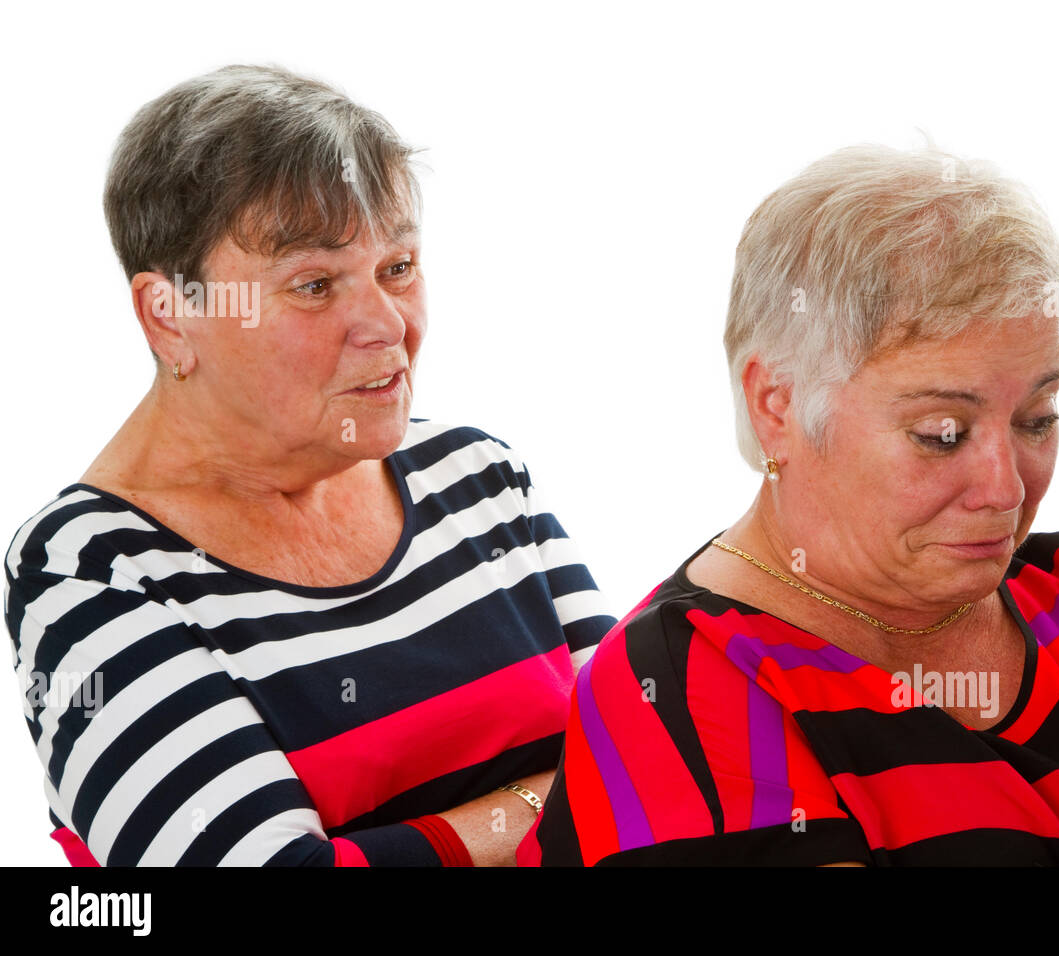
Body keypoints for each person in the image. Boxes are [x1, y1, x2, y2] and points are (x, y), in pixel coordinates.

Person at [521, 143, 1059, 866]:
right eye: (941, 432)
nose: (1007, 487)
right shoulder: (679, 686)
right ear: (777, 408)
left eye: (1038, 418)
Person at [3, 64, 614, 866]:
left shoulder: (475, 475)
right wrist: (547, 798)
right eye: (316, 285)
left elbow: (666, 749)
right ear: (170, 315)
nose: (387, 324)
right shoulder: (91, 569)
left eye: (398, 267)